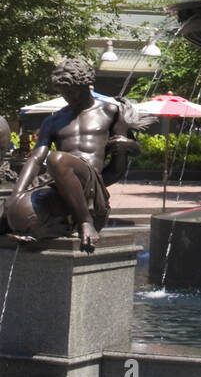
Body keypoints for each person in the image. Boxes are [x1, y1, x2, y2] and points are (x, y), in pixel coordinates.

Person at [0, 57, 137, 252]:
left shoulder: (110, 111)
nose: (69, 97)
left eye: (73, 92)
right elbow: (36, 158)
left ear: (87, 85)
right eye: (64, 93)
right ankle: (46, 228)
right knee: (7, 212)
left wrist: (129, 144)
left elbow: (132, 150)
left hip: (90, 181)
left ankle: (85, 221)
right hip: (56, 181)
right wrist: (16, 194)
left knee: (57, 159)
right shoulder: (54, 120)